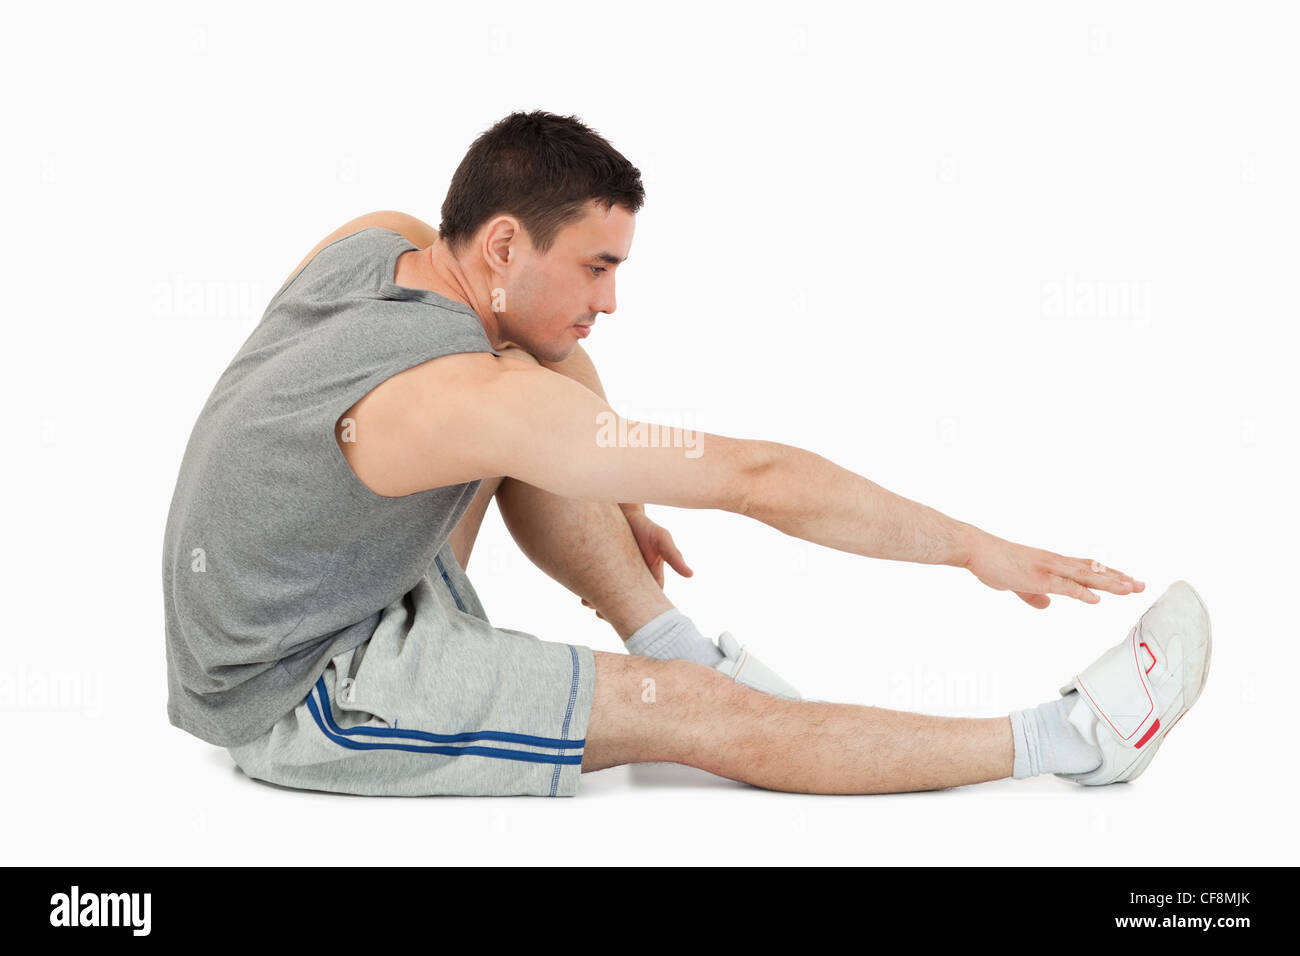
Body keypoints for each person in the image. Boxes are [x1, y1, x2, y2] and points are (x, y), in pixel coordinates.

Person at [162, 110, 1211, 798]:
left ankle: (665, 639)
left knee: (545, 375)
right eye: (596, 267)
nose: (612, 298)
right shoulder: (467, 401)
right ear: (504, 243)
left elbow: (531, 379)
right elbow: (756, 478)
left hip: (311, 582)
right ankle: (1071, 740)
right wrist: (975, 547)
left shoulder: (380, 242)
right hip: (301, 689)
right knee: (704, 715)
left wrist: (616, 482)